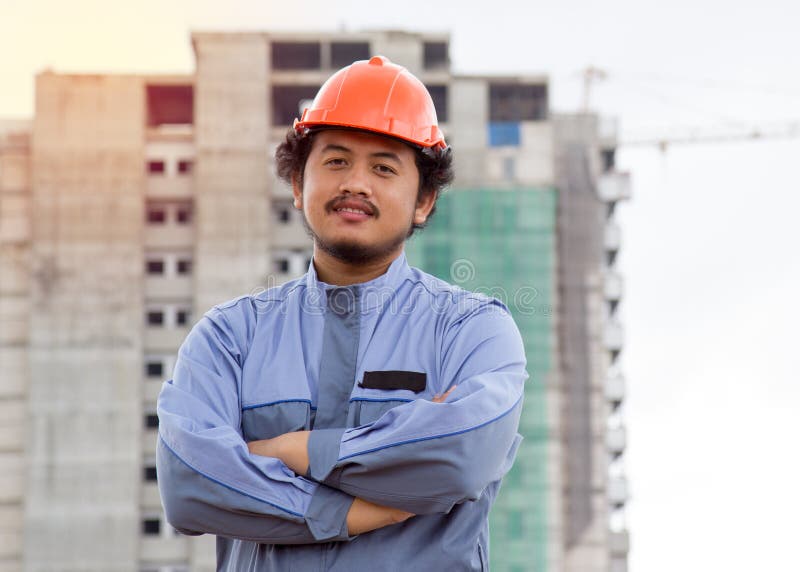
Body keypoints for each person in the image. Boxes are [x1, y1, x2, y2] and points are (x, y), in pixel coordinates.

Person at [156, 55, 527, 571]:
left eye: (383, 166)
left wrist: (292, 451)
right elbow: (188, 482)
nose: (357, 183)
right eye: (335, 161)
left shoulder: (470, 329)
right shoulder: (229, 338)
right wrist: (345, 511)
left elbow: (461, 454)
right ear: (297, 185)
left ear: (424, 201)